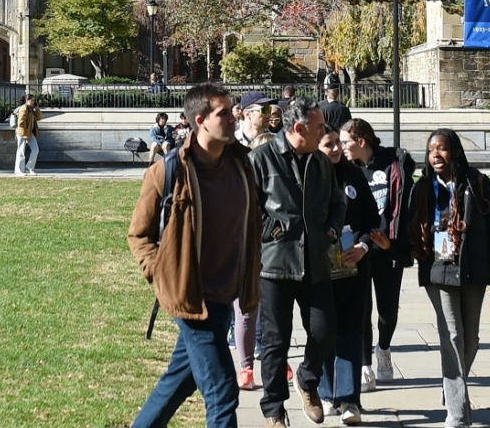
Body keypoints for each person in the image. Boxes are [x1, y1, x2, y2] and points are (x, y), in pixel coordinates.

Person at [127, 83, 263, 428]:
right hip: (189, 296)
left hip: (225, 297)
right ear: (200, 120)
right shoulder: (169, 171)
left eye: (234, 110)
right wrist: (161, 273)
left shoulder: (242, 167)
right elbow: (139, 234)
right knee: (222, 392)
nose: (234, 118)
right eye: (224, 113)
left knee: (178, 382)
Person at [401, 128, 490, 428]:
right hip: (437, 271)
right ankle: (457, 414)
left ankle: (452, 386)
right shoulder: (423, 188)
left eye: (441, 149)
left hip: (473, 272)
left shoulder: (476, 183)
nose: (436, 155)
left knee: (471, 340)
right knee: (452, 337)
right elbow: (407, 229)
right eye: (431, 151)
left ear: (454, 151)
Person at [250, 96, 345, 428]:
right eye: (319, 127)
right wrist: (270, 229)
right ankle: (274, 409)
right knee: (276, 341)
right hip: (275, 265)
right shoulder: (261, 159)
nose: (324, 132)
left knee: (324, 331)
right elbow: (246, 208)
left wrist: (332, 229)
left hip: (315, 262)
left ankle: (307, 380)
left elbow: (337, 203)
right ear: (300, 128)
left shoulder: (320, 161)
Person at [340, 117, 416, 387]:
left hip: (387, 246)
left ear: (362, 141)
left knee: (387, 310)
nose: (342, 147)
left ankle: (383, 348)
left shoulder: (393, 163)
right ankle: (364, 364)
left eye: (346, 141)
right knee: (361, 309)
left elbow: (404, 205)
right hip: (358, 248)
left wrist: (394, 243)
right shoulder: (347, 169)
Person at [316, 124, 379, 426]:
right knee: (324, 331)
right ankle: (327, 393)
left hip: (354, 267)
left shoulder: (354, 175)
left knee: (352, 331)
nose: (337, 149)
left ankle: (350, 399)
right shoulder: (308, 178)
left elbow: (372, 219)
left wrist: (364, 246)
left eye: (338, 144)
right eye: (329, 145)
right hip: (319, 270)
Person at [232, 97, 275, 387]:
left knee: (268, 306)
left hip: (271, 245)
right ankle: (245, 362)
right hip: (241, 243)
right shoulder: (233, 146)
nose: (269, 114)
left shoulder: (273, 143)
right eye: (263, 110)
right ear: (247, 114)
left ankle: (271, 357)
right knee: (244, 307)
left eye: (271, 110)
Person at [12, 93, 42, 176]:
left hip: (29, 133)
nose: (33, 102)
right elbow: (20, 123)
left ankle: (29, 166)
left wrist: (37, 109)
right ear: (26, 100)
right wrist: (24, 134)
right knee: (21, 151)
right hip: (22, 132)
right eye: (31, 100)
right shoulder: (24, 108)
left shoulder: (31, 109)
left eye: (34, 100)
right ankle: (19, 171)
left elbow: (39, 118)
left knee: (35, 149)